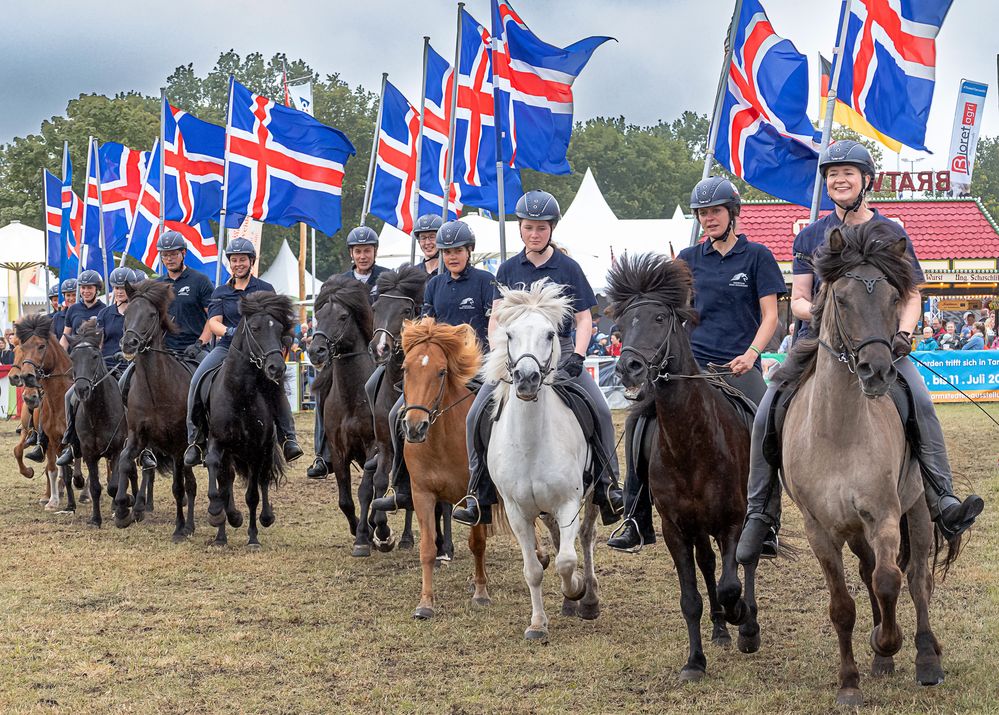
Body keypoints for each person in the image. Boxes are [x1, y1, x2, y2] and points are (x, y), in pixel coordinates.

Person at [735, 139, 984, 564]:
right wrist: (825, 314)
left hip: (881, 344)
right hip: (821, 344)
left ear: (866, 180)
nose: (839, 179)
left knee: (921, 402)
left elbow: (910, 295)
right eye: (832, 174)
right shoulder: (811, 234)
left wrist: (903, 334)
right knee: (768, 408)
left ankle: (942, 497)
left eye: (848, 172)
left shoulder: (891, 233)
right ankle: (760, 511)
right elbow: (797, 298)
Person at [608, 176, 786, 552]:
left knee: (769, 424)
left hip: (739, 365)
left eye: (715, 211)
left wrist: (752, 354)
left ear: (732, 213)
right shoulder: (687, 260)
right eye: (703, 213)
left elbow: (770, 316)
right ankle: (636, 518)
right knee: (639, 420)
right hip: (691, 366)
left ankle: (766, 522)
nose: (709, 219)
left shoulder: (757, 257)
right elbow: (666, 313)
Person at [451, 190, 624, 527]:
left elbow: (585, 318)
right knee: (474, 416)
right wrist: (501, 356)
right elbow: (496, 320)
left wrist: (579, 354)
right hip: (515, 358)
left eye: (541, 228)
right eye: (529, 228)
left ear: (551, 229)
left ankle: (609, 487)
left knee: (601, 410)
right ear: (520, 229)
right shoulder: (508, 268)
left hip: (559, 354)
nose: (534, 234)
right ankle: (478, 493)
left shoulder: (569, 268)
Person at [370, 219, 495, 512]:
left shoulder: (485, 282)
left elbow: (492, 327)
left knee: (487, 416)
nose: (452, 256)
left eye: (458, 251)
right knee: (393, 414)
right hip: (438, 370)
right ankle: (400, 486)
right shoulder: (435, 284)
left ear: (469, 251)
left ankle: (486, 483)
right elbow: (426, 325)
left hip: (474, 368)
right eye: (447, 251)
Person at [183, 238, 303, 467]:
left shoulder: (265, 289)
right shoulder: (221, 291)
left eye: (242, 260)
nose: (238, 264)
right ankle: (195, 441)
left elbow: (276, 320)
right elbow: (214, 322)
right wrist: (233, 331)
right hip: (227, 348)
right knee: (197, 381)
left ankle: (288, 438)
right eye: (234, 260)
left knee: (276, 387)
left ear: (251, 262)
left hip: (259, 353)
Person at [56, 267, 137, 465]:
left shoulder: (137, 311)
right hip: (105, 366)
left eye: (123, 287)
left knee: (133, 397)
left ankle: (141, 445)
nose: (119, 291)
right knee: (70, 396)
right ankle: (72, 441)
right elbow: (97, 343)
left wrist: (128, 354)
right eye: (116, 287)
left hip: (129, 365)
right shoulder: (104, 313)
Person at [155, 230, 215, 356]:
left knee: (209, 374)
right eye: (165, 255)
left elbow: (213, 318)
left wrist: (200, 343)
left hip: (196, 348)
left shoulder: (201, 281)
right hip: (164, 349)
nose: (169, 259)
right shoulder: (157, 285)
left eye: (174, 254)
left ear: (183, 253)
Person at [340, 226, 388, 303]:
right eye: (358, 252)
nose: (362, 257)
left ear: (375, 252)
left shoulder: (388, 277)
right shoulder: (342, 282)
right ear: (351, 253)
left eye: (367, 251)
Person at [60, 270, 106, 350]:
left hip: (95, 358)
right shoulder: (73, 309)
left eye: (89, 288)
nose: (86, 291)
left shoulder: (104, 310)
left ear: (97, 289)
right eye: (83, 287)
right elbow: (65, 337)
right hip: (75, 357)